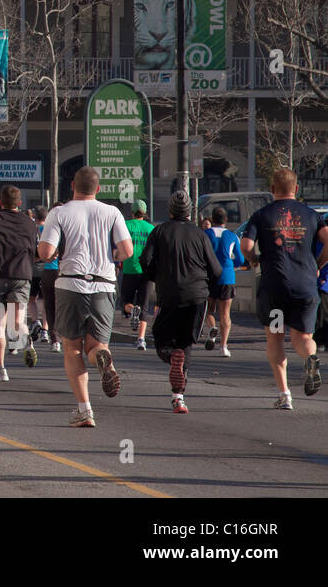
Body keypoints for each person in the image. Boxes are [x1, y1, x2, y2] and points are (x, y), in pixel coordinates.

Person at [36, 167, 133, 428]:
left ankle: (85, 409)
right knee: (96, 346)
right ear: (98, 189)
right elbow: (127, 250)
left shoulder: (59, 212)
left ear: (72, 185)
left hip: (70, 284)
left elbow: (45, 252)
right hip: (104, 285)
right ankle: (104, 359)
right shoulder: (112, 212)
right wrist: (107, 258)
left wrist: (53, 252)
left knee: (72, 347)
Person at [240, 168, 327, 410]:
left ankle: (285, 394)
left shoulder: (261, 215)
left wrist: (254, 259)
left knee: (275, 338)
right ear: (296, 189)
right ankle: (310, 359)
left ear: (272, 190)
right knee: (303, 337)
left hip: (275, 289)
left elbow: (245, 244)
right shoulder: (311, 215)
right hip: (306, 287)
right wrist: (318, 264)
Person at [140, 191, 223, 414]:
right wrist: (206, 288)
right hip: (197, 296)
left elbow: (145, 261)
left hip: (169, 295)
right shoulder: (200, 234)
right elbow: (216, 269)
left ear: (170, 211)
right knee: (186, 344)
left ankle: (170, 356)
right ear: (190, 212)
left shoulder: (159, 232)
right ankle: (179, 397)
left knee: (161, 339)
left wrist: (155, 277)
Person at [0, 186, 40, 381]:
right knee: (17, 321)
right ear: (19, 203)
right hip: (21, 275)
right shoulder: (29, 222)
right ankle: (26, 339)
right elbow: (35, 248)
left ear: (0, 201)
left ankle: (1, 368)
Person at [204, 207, 244, 356]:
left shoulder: (206, 234)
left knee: (209, 309)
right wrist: (230, 265)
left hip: (210, 277)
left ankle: (211, 330)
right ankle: (224, 347)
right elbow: (240, 259)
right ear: (225, 220)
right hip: (227, 277)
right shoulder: (232, 236)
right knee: (225, 314)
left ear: (212, 219)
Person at [119, 201, 154, 350]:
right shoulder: (151, 229)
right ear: (145, 212)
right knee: (144, 306)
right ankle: (141, 339)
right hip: (146, 271)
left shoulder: (126, 225)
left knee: (125, 301)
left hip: (128, 269)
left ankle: (132, 310)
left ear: (132, 212)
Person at [30, 205, 61, 352]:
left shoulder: (34, 229)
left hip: (37, 269)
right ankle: (46, 330)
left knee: (34, 299)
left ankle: (36, 321)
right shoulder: (56, 230)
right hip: (55, 269)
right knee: (49, 303)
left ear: (35, 216)